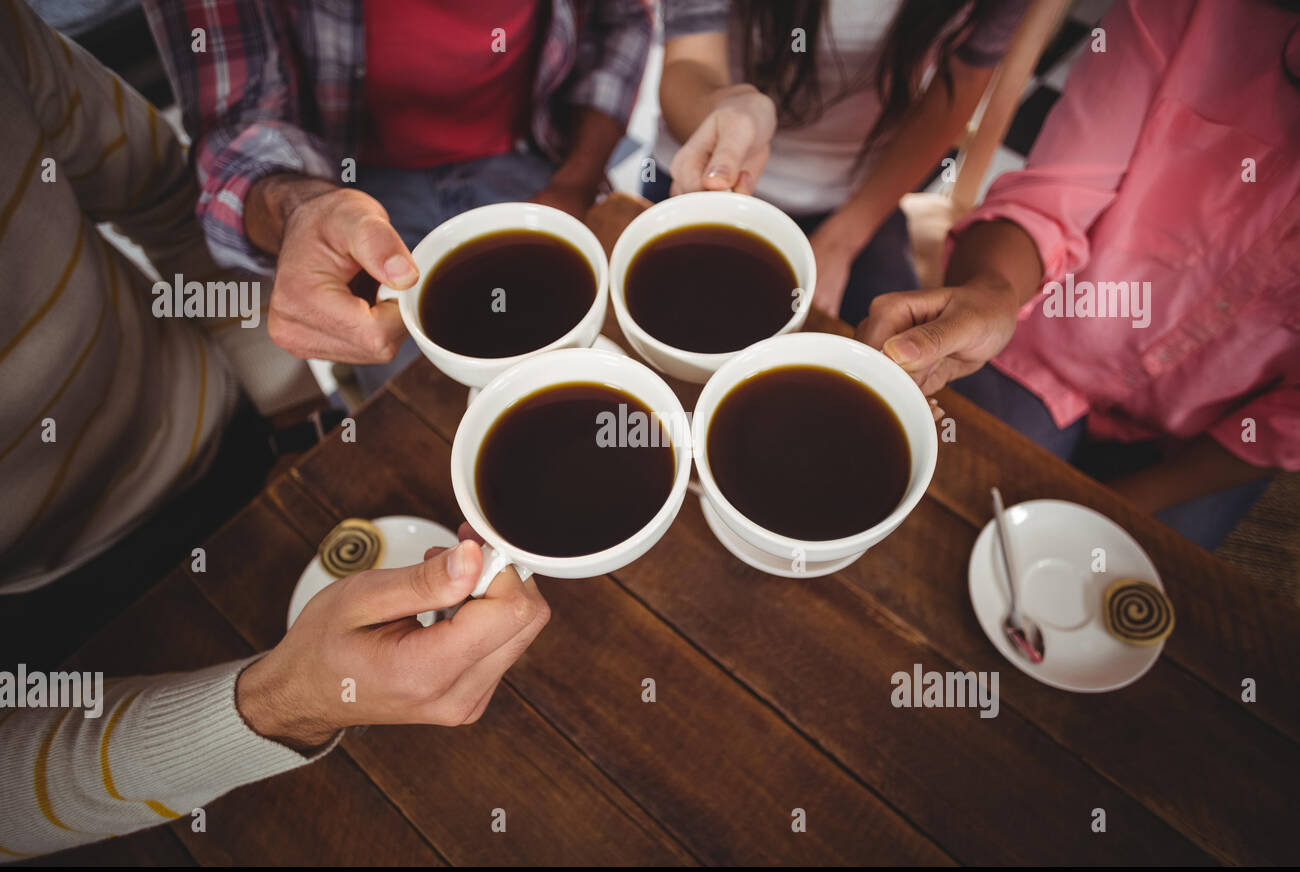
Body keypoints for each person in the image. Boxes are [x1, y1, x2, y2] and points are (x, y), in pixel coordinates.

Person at [0, 1, 550, 860]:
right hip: (41, 624)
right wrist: (277, 708)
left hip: (239, 434)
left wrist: (297, 413)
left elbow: (164, 199)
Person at [858, 0, 1300, 549]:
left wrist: (1121, 506)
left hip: (1216, 443)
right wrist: (990, 294)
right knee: (940, 524)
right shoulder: (1188, 14)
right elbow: (1048, 203)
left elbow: (1288, 423)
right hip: (1044, 355)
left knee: (1136, 593)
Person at [142, 0, 654, 395]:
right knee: (415, 396)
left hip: (537, 154)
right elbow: (235, 124)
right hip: (344, 186)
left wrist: (576, 181)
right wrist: (301, 212)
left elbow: (621, 23)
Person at [650, 0, 1028, 322]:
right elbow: (689, 63)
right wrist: (725, 110)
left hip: (859, 199)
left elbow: (959, 88)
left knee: (890, 344)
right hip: (695, 164)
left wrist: (841, 241)